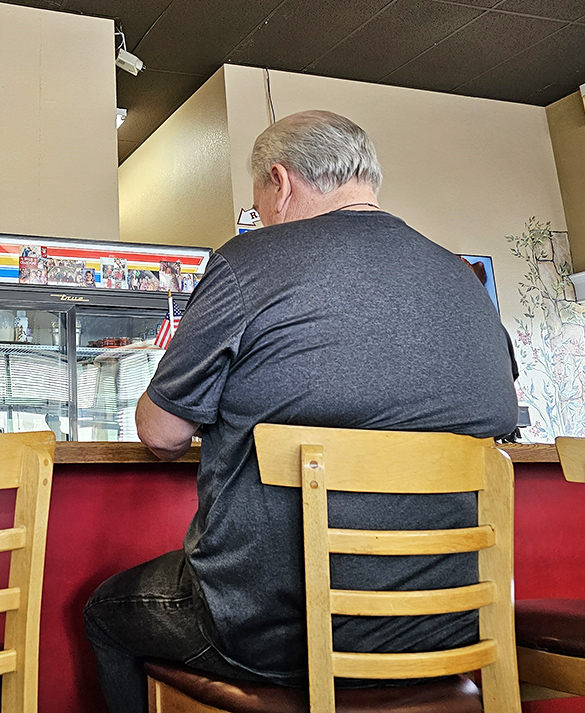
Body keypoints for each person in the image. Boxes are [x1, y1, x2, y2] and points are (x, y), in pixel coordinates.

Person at [84, 110, 519, 713]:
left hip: (274, 633)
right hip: (452, 623)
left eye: (259, 199)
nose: (260, 216)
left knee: (105, 610)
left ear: (281, 182)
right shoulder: (464, 278)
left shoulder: (249, 261)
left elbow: (160, 433)